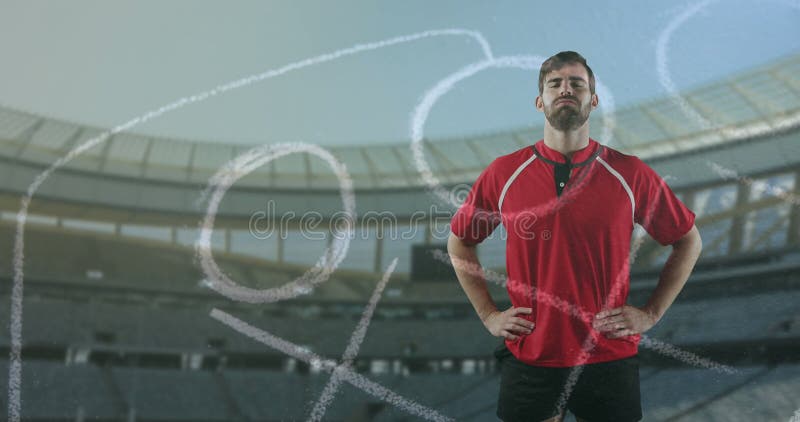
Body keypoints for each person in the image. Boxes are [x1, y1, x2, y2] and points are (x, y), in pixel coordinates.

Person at [447, 51, 703, 422]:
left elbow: (688, 240)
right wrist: (488, 314)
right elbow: (459, 240)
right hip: (531, 353)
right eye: (555, 83)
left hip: (608, 354)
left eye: (577, 83)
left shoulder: (629, 173)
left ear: (593, 100)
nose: (566, 89)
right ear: (540, 102)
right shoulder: (504, 172)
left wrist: (651, 313)